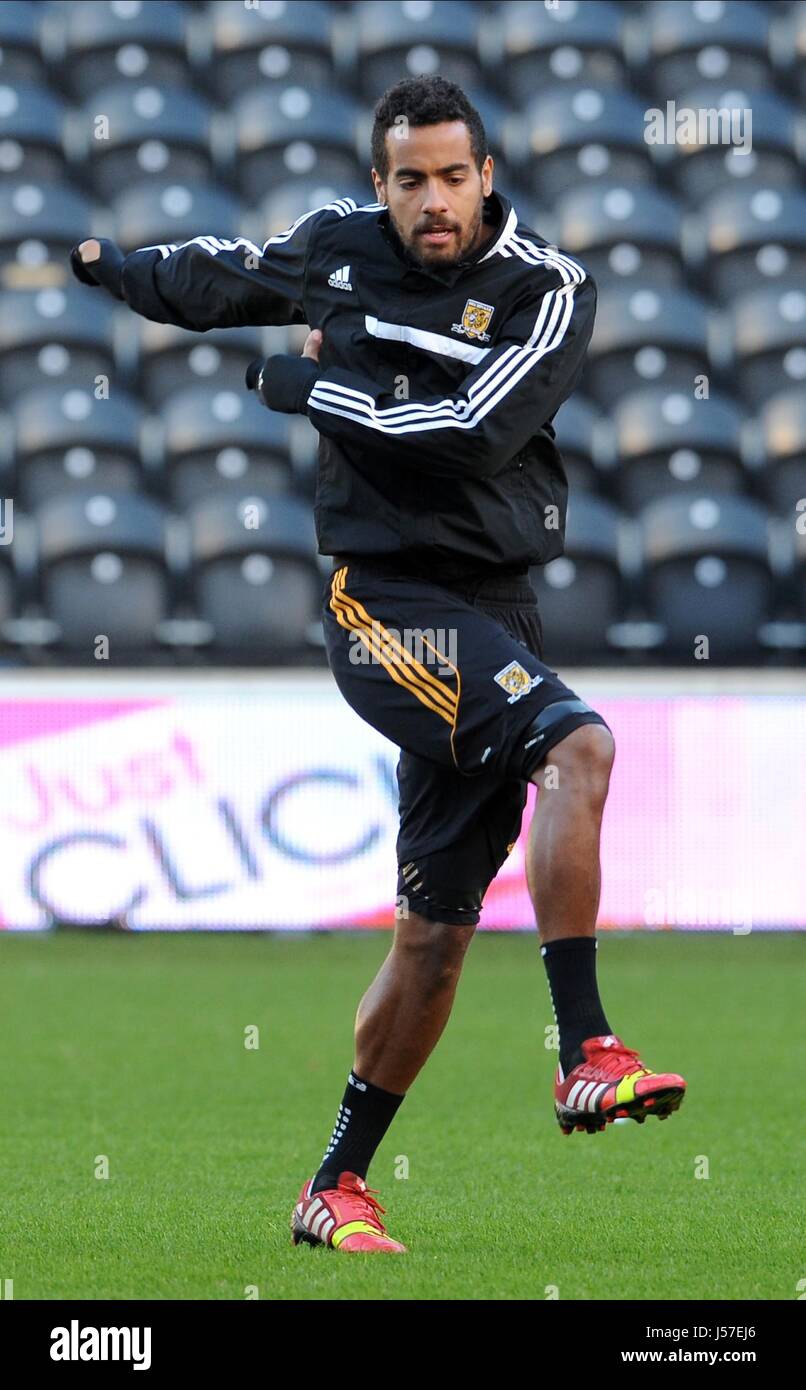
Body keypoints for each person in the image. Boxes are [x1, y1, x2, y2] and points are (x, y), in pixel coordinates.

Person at [71, 74, 686, 1258]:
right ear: (380, 183)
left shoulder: (546, 292)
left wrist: (309, 385)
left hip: (497, 610)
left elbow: (471, 437)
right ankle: (585, 1051)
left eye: (453, 175)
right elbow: (219, 275)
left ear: (487, 174)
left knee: (434, 934)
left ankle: (333, 1188)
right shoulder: (339, 253)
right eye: (410, 179)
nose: (433, 200)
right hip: (384, 602)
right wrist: (111, 264)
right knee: (580, 747)